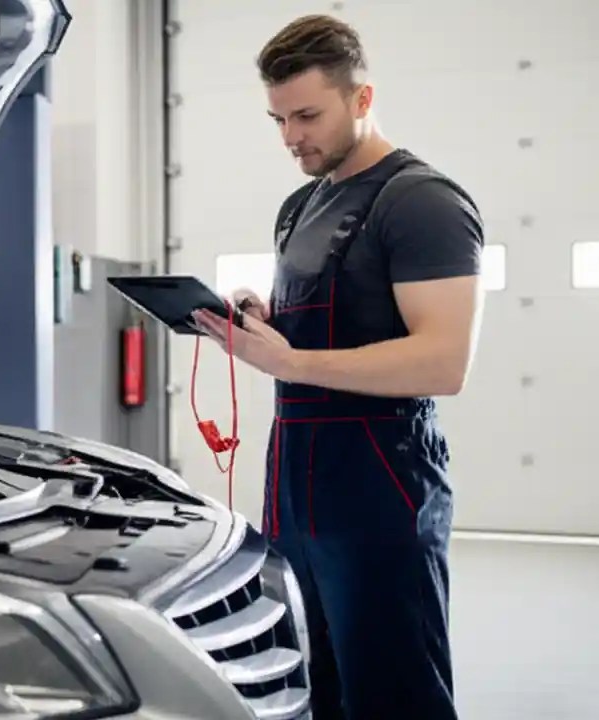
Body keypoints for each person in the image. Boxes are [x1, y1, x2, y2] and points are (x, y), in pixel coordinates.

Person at [192, 14, 484, 720]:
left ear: (361, 99)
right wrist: (266, 320)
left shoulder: (423, 203)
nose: (291, 136)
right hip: (296, 475)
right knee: (312, 674)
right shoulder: (300, 205)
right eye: (278, 119)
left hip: (381, 477)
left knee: (392, 683)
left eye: (307, 115)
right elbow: (338, 314)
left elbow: (443, 361)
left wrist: (290, 359)